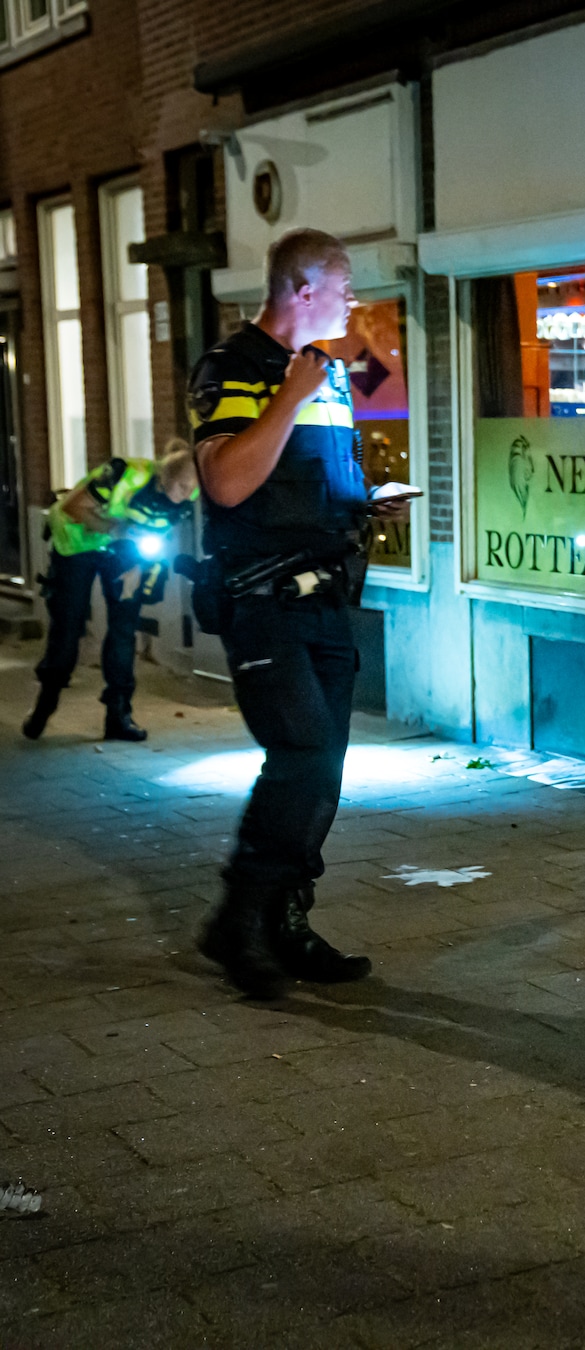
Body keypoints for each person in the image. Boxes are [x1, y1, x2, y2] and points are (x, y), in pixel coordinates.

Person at [188, 227, 412, 999]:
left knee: (323, 776)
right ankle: (237, 920)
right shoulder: (235, 368)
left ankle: (286, 923)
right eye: (343, 287)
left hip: (327, 602)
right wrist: (291, 393)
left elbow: (305, 482)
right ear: (302, 289)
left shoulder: (330, 377)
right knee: (302, 756)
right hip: (264, 603)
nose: (352, 302)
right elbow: (226, 481)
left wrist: (365, 502)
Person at [23, 445, 198, 742]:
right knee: (68, 624)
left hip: (123, 549)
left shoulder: (184, 499)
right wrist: (116, 530)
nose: (186, 493)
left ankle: (119, 713)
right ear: (166, 476)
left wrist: (140, 569)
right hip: (77, 542)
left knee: (124, 627)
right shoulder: (121, 474)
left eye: (192, 489)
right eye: (182, 486)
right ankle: (47, 700)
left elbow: (158, 533)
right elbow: (73, 507)